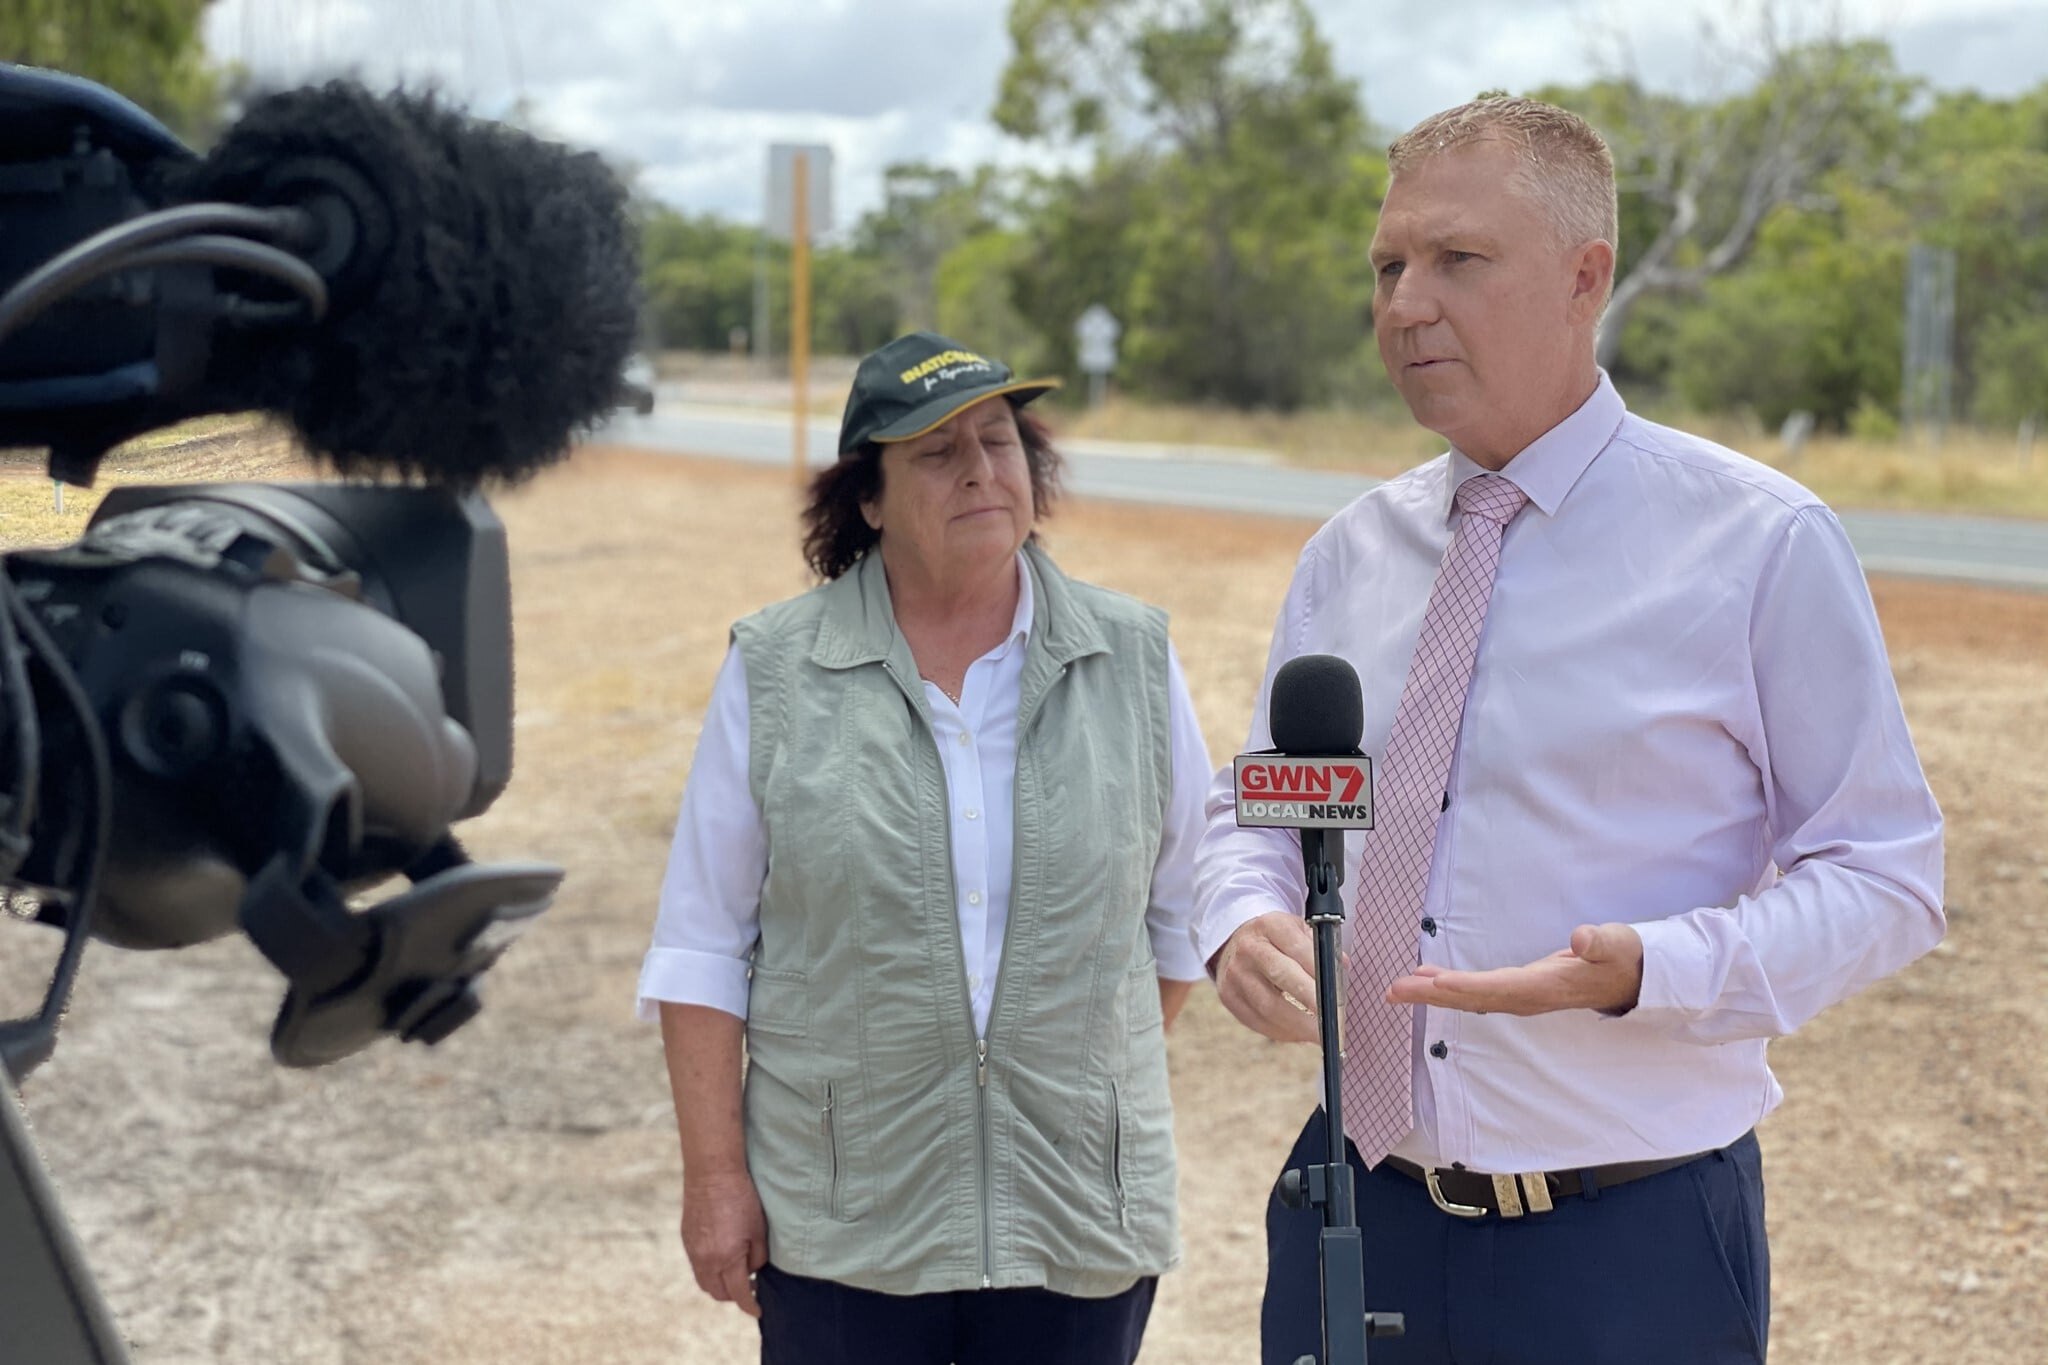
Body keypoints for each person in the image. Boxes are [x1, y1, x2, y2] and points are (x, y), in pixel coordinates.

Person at [1193, 97, 1945, 1365]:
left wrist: (1651, 969)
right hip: (1351, 1212)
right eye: (1387, 266)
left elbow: (1886, 877)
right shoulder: (1349, 557)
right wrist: (1233, 917)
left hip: (1624, 1245)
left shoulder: (1755, 544)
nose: (1403, 303)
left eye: (1456, 262)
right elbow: (1267, 802)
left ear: (1582, 277)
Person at [638, 332, 1213, 1365]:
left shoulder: (1130, 657)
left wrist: (1062, 1067)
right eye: (937, 453)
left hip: (1074, 1210)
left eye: (999, 442)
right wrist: (717, 1179)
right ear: (868, 499)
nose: (981, 472)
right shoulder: (775, 671)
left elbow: (1180, 916)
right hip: (843, 1217)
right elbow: (700, 945)